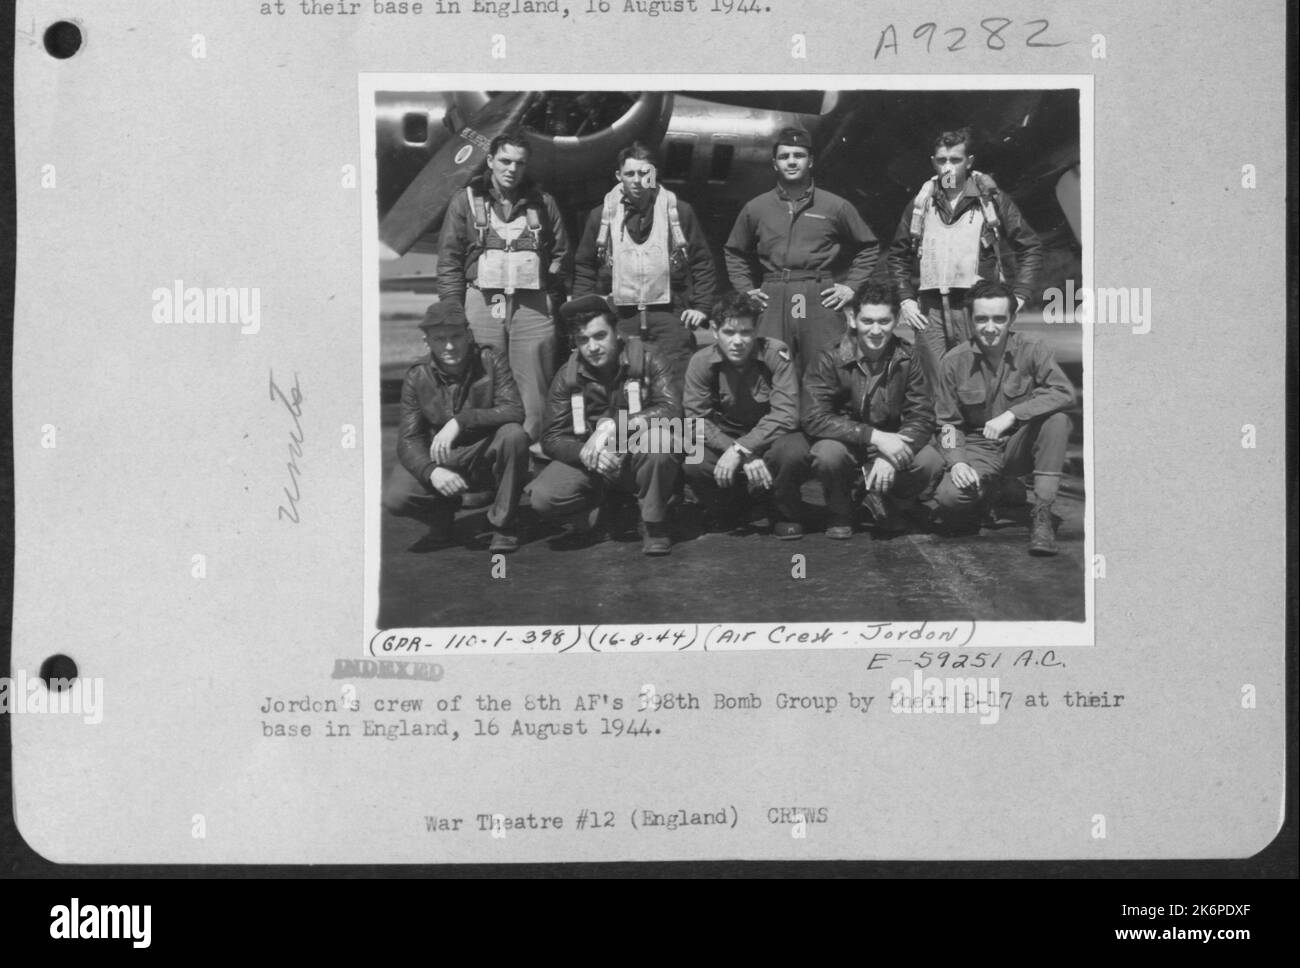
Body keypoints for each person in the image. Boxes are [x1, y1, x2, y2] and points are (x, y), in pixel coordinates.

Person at [436, 129, 570, 447]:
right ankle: (481, 458)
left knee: (535, 386)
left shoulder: (543, 202)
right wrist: (453, 313)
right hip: (485, 299)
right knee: (482, 381)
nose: (512, 169)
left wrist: (551, 299)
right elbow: (449, 261)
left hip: (531, 302)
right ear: (491, 160)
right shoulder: (466, 201)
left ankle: (529, 454)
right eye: (505, 161)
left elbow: (561, 256)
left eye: (520, 163)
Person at [886, 126, 1043, 391]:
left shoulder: (991, 199)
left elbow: (1030, 247)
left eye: (955, 160)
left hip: (976, 308)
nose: (948, 167)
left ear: (969, 162)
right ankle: (944, 433)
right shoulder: (921, 203)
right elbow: (898, 255)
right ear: (933, 162)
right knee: (935, 391)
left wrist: (1019, 296)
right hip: (929, 311)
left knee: (981, 385)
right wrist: (905, 299)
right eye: (942, 160)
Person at [530, 294, 683, 556]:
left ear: (616, 332)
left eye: (600, 336)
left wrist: (614, 426)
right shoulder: (566, 376)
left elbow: (672, 410)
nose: (592, 347)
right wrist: (587, 456)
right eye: (583, 340)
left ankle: (654, 524)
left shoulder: (650, 358)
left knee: (662, 441)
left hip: (639, 455)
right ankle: (607, 516)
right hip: (598, 463)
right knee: (543, 496)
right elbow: (551, 438)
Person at [932, 279, 1074, 555]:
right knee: (949, 499)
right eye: (981, 319)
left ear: (1012, 318)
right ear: (970, 319)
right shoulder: (953, 361)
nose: (990, 327)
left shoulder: (1033, 349)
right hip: (978, 447)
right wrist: (957, 462)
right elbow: (947, 423)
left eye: (999, 318)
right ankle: (993, 488)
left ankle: (1042, 514)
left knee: (1057, 421)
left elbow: (1064, 392)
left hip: (1019, 443)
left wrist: (1013, 414)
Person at [723, 126, 879, 371]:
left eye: (799, 155)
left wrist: (851, 287)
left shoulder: (835, 206)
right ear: (775, 163)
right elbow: (734, 251)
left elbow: (868, 246)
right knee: (771, 366)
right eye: (784, 157)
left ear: (811, 160)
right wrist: (745, 290)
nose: (792, 162)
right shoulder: (757, 208)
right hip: (772, 297)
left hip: (819, 295)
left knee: (826, 367)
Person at [382, 302, 530, 554]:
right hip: (442, 457)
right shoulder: (417, 375)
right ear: (426, 341)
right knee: (395, 497)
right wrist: (431, 472)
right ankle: (442, 513)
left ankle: (503, 524)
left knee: (514, 435)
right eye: (440, 339)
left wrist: (461, 420)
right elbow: (408, 440)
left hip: (483, 452)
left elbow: (514, 410)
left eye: (456, 336)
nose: (449, 346)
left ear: (469, 334)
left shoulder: (491, 359)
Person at [802, 281, 943, 539]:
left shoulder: (909, 356)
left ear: (896, 320)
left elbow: (922, 415)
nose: (876, 330)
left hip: (893, 441)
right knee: (826, 453)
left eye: (884, 321)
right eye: (867, 321)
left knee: (930, 460)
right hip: (848, 443)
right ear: (853, 319)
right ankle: (841, 509)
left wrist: (890, 455)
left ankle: (889, 502)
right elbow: (814, 417)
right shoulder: (828, 357)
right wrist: (874, 437)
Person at [572, 142, 717, 389]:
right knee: (624, 382)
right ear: (619, 176)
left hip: (669, 313)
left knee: (675, 380)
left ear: (655, 173)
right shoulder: (601, 216)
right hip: (620, 315)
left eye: (644, 173)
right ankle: (629, 428)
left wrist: (701, 306)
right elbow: (585, 266)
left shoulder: (679, 212)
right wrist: (584, 315)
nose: (638, 180)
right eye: (630, 174)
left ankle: (675, 428)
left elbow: (702, 261)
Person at [681, 291, 809, 539]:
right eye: (729, 333)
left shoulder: (775, 354)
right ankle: (736, 505)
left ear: (756, 330)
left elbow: (786, 415)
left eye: (746, 332)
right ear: (715, 331)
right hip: (726, 434)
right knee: (695, 461)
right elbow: (696, 421)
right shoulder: (701, 362)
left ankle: (784, 512)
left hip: (772, 435)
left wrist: (741, 449)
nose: (737, 341)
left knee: (793, 452)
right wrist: (735, 448)